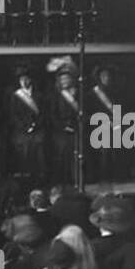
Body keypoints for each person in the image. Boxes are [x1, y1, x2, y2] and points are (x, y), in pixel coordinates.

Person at [45, 57, 83, 187]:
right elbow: (52, 116)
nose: (65, 81)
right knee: (63, 149)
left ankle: (78, 179)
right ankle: (64, 180)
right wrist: (64, 127)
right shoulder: (55, 96)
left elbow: (84, 112)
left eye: (67, 78)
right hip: (60, 130)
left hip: (78, 128)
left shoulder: (79, 94)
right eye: (62, 79)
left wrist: (77, 125)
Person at [6, 65, 47, 183]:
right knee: (22, 150)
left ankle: (40, 177)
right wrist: (25, 126)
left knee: (39, 148)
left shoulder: (39, 95)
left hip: (38, 129)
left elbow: (44, 113)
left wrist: (35, 125)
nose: (24, 82)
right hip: (21, 130)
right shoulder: (15, 96)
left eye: (26, 79)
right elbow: (13, 115)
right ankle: (24, 177)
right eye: (21, 79)